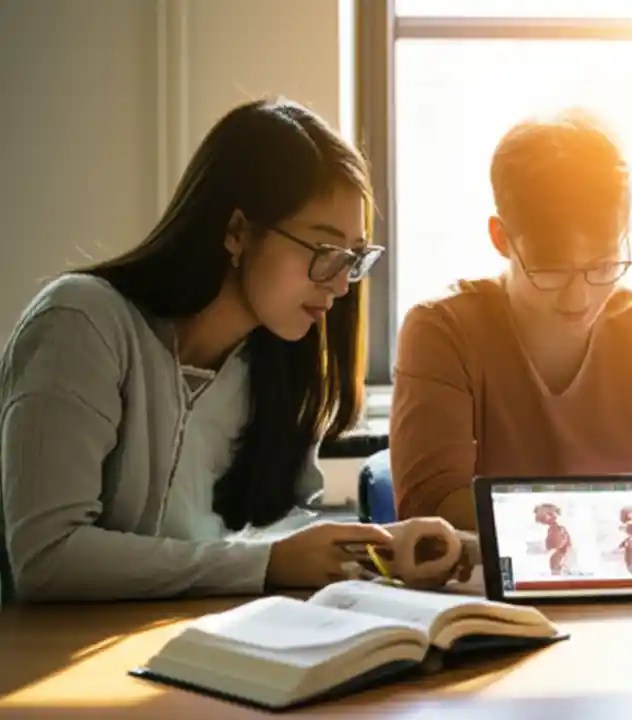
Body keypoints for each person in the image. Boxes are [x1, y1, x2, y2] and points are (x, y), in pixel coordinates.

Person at [0, 98, 465, 603]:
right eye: (325, 251)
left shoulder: (280, 367)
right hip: (57, 666)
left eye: (353, 258)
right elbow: (47, 558)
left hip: (201, 652)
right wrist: (270, 563)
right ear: (237, 231)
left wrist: (372, 550)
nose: (341, 285)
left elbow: (267, 538)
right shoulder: (82, 322)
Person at [390, 109, 632, 542]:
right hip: (493, 600)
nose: (579, 298)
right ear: (501, 238)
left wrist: (569, 516)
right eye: (550, 271)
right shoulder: (442, 331)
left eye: (604, 265)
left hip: (630, 595)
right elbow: (431, 513)